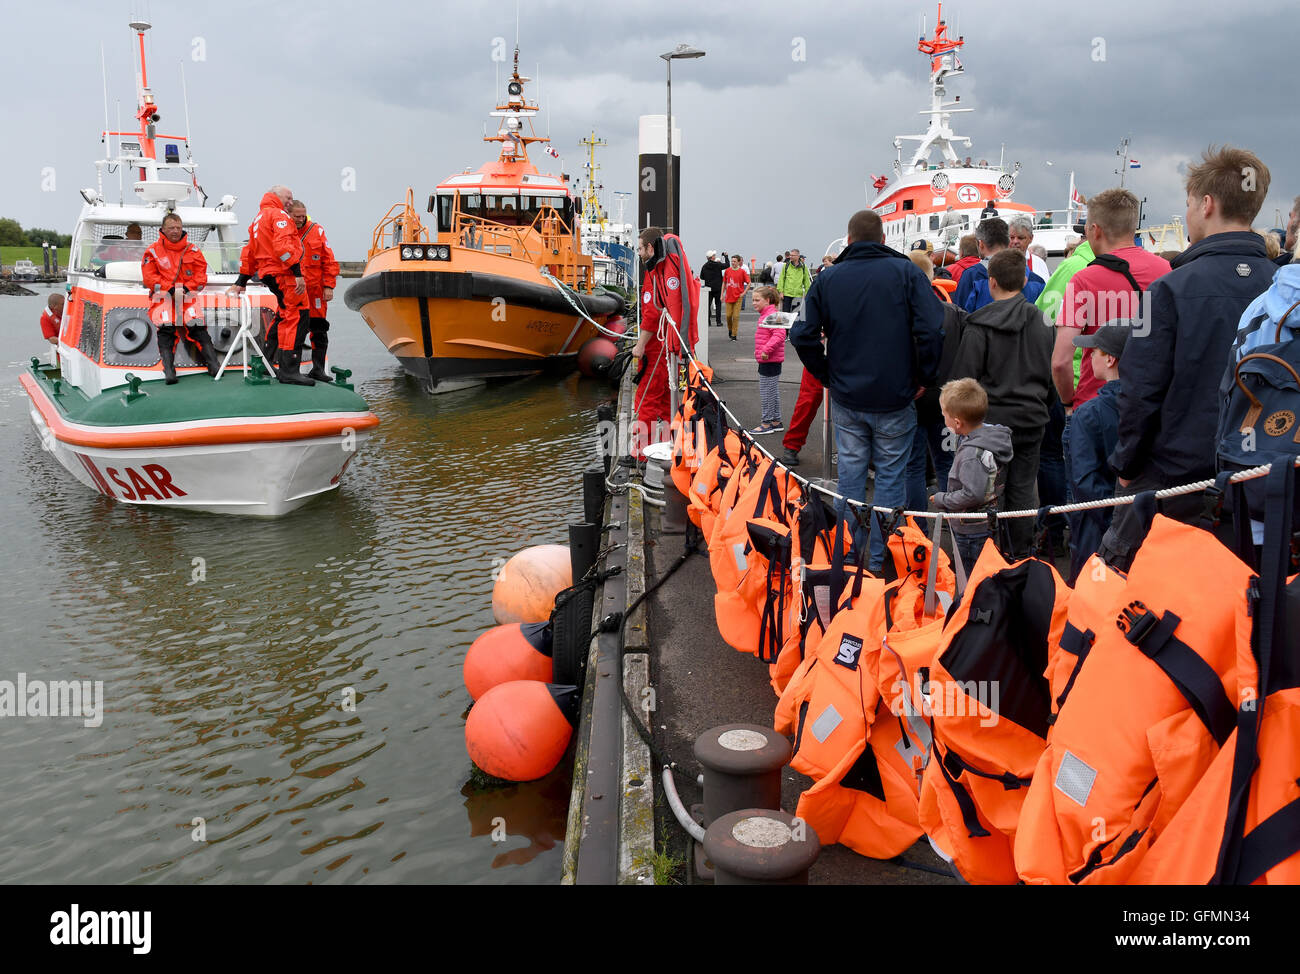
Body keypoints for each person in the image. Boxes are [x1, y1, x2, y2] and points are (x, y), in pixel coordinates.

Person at [1101, 145, 1276, 570]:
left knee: (1133, 597)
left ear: (1207, 204)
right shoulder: (1283, 285)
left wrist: (1127, 465)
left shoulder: (1168, 290)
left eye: (1188, 204)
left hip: (1178, 484)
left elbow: (1139, 389)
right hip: (1267, 482)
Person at [790, 209, 943, 571]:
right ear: (884, 239)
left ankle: (847, 555)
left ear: (848, 239)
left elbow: (801, 333)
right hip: (895, 396)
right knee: (891, 478)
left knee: (851, 479)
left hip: (847, 396)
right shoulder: (907, 273)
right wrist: (925, 375)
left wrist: (826, 373)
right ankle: (877, 559)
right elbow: (933, 330)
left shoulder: (828, 278)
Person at [950, 248, 1054, 557]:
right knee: (1023, 491)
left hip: (990, 424)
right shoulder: (1043, 322)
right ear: (1024, 280)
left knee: (982, 494)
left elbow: (963, 382)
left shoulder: (979, 325)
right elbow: (1049, 373)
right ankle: (1021, 555)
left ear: (991, 282)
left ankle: (985, 557)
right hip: (1031, 419)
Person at [1054, 188, 1172, 409]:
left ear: (1095, 230)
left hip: (1096, 404)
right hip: (1149, 405)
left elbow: (1061, 361)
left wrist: (1069, 402)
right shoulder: (1166, 271)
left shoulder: (1083, 280)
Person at [227, 184, 314, 386]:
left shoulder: (257, 219)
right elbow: (283, 248)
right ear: (275, 196)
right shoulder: (279, 216)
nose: (290, 203)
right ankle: (289, 370)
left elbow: (249, 252)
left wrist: (241, 280)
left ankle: (268, 361)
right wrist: (297, 273)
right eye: (288, 198)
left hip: (268, 274)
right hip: (284, 275)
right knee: (298, 317)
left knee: (285, 316)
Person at [929, 377, 1013, 572]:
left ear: (957, 423)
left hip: (971, 529)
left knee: (971, 576)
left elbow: (972, 494)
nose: (943, 418)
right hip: (983, 523)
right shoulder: (984, 437)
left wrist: (943, 499)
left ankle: (972, 602)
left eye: (944, 415)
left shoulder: (971, 455)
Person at [1067, 324, 1127, 582]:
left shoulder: (1089, 413)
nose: (1089, 356)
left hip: (1098, 528)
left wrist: (1113, 525)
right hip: (1141, 521)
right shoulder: (1154, 404)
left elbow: (1084, 481)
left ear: (1111, 359)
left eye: (1095, 351)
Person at [630, 226, 697, 456]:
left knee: (646, 400)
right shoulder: (661, 268)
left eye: (640, 248)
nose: (638, 253)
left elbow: (652, 313)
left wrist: (639, 345)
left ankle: (640, 454)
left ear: (650, 247)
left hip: (656, 347)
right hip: (666, 342)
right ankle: (675, 445)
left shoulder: (654, 273)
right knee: (666, 400)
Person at [907, 249, 965, 505]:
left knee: (913, 467)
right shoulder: (956, 314)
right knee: (948, 465)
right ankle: (953, 522)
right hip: (947, 402)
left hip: (915, 400)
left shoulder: (903, 314)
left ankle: (916, 527)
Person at [142, 211, 219, 383]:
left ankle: (214, 365)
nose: (175, 231)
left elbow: (201, 277)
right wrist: (170, 290)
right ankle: (169, 371)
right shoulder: (152, 252)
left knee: (198, 327)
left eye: (178, 227)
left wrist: (185, 289)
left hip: (187, 296)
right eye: (171, 228)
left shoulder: (193, 250)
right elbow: (149, 278)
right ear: (163, 229)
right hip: (163, 297)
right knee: (166, 329)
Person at [290, 200, 340, 382]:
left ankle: (318, 369)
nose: (300, 219)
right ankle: (291, 369)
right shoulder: (284, 232)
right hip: (295, 291)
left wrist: (329, 286)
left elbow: (329, 261)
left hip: (316, 291)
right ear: (289, 215)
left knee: (319, 328)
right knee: (295, 329)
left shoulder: (317, 231)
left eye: (303, 216)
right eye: (297, 216)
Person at [954, 217, 1044, 312]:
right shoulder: (1037, 281)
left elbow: (959, 317)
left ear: (981, 244)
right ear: (1008, 241)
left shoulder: (972, 276)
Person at [750, 285, 785, 435]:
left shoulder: (772, 315)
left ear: (768, 300)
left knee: (767, 392)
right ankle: (776, 421)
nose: (753, 303)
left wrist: (766, 350)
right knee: (772, 391)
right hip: (768, 360)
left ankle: (767, 423)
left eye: (757, 300)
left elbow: (779, 335)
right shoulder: (767, 315)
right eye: (753, 300)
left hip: (770, 360)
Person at [1008, 216, 1050, 281]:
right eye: (1012, 237)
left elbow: (1046, 290)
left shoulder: (1039, 264)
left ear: (1031, 238)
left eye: (1020, 238)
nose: (1015, 241)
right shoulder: (997, 263)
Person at [722, 254, 750, 341]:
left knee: (736, 316)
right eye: (732, 261)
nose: (733, 263)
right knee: (728, 316)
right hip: (729, 297)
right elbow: (724, 283)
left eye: (734, 261)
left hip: (738, 297)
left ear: (738, 262)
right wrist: (721, 294)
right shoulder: (727, 271)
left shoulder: (742, 272)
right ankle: (730, 329)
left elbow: (749, 283)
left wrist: (744, 293)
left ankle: (734, 335)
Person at [776, 248, 812, 313]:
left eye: (793, 255)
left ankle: (793, 323)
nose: (790, 256)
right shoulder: (786, 266)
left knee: (795, 315)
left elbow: (806, 281)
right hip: (787, 294)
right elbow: (781, 279)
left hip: (798, 294)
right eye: (790, 255)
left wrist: (807, 292)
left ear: (798, 256)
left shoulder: (803, 267)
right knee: (786, 314)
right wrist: (781, 291)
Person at [700, 250, 725, 327]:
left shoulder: (704, 266)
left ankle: (708, 322)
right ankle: (718, 322)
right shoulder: (717, 265)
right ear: (712, 257)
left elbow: (702, 277)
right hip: (717, 288)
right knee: (718, 305)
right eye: (714, 255)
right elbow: (727, 265)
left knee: (708, 305)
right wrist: (726, 256)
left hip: (709, 288)